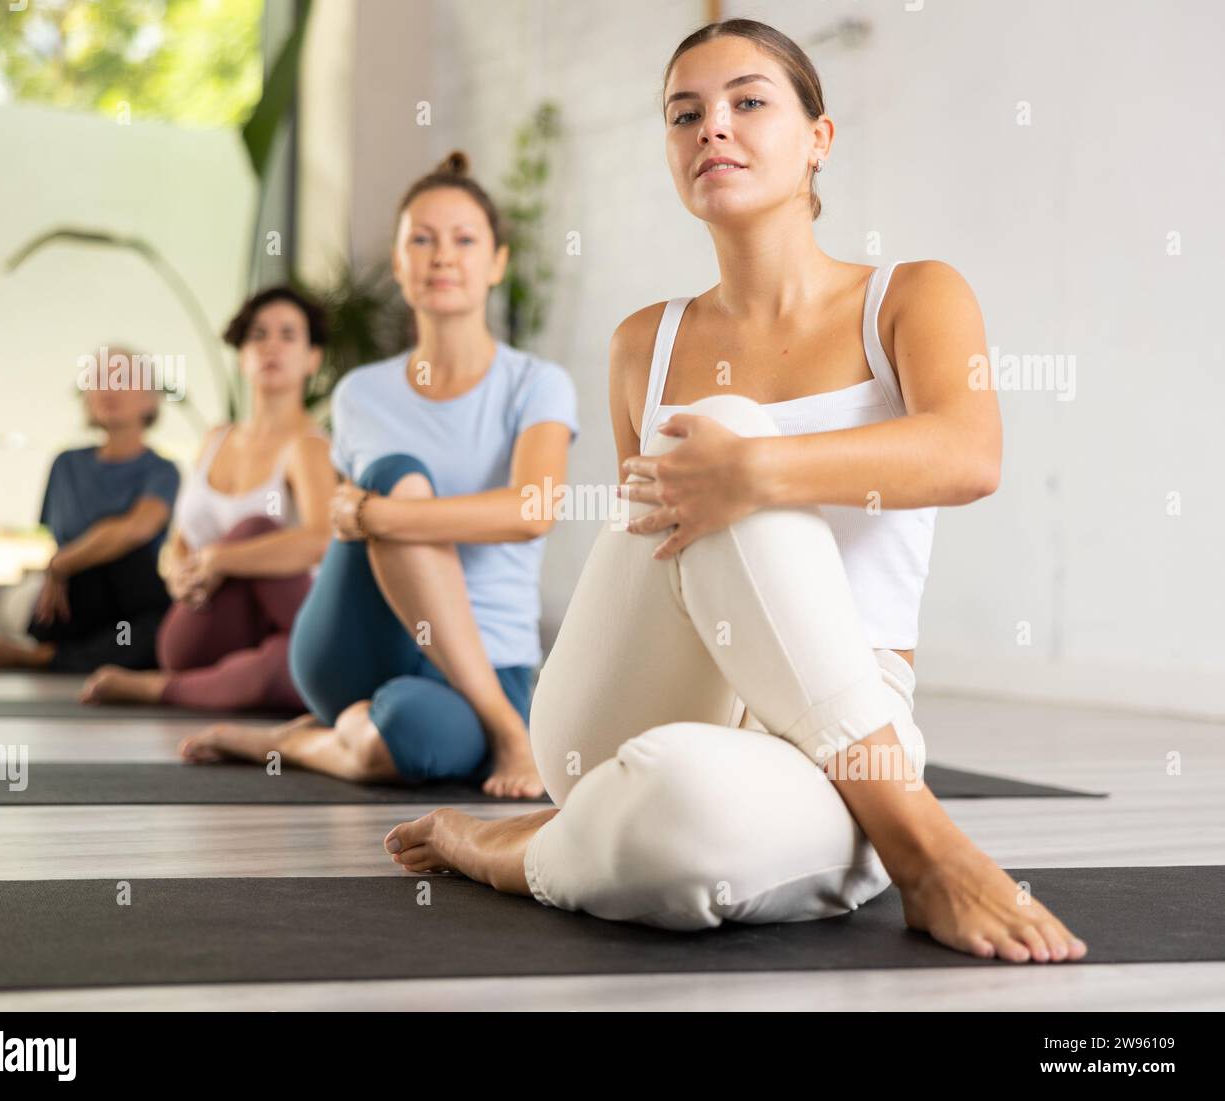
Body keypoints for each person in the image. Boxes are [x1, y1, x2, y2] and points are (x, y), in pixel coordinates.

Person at [380, 19, 1089, 964]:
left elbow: (970, 454)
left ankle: (523, 850)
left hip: (848, 723)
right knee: (715, 428)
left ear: (818, 141)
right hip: (632, 705)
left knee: (682, 821)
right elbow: (654, 563)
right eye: (685, 114)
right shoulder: (644, 343)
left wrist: (756, 474)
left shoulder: (915, 296)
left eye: (748, 102)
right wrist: (735, 458)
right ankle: (926, 849)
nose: (712, 127)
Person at [176, 151, 579, 800]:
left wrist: (383, 516)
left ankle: (291, 741)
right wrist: (368, 511)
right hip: (359, 646)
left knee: (409, 739)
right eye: (421, 239)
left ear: (496, 261)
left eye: (464, 240)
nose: (442, 256)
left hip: (492, 656)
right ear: (398, 262)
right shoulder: (359, 393)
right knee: (395, 470)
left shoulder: (536, 384)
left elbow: (532, 509)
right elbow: (342, 531)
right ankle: (508, 729)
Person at [80, 287, 335, 712]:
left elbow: (321, 540)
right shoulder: (216, 439)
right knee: (308, 665)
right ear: (242, 354)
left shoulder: (309, 447)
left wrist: (222, 558)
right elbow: (179, 538)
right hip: (201, 627)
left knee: (281, 659)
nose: (272, 345)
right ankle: (237, 678)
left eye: (288, 335)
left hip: (290, 619)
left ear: (313, 358)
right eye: (258, 334)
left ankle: (161, 689)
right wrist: (178, 571)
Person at [0, 347, 178, 673]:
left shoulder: (163, 471)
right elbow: (62, 536)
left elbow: (137, 529)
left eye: (122, 378)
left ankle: (45, 657)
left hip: (126, 610)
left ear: (151, 400)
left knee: (154, 625)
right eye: (98, 379)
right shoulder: (66, 464)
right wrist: (66, 564)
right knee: (131, 623)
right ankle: (73, 654)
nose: (108, 388)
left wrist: (63, 562)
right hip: (73, 601)